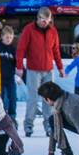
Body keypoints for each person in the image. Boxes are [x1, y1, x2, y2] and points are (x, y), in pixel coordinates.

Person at [15, 7, 63, 136]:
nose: (44, 22)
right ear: (37, 18)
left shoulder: (53, 31)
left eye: (46, 20)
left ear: (50, 19)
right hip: (33, 70)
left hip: (48, 69)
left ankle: (49, 124)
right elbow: (21, 49)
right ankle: (29, 125)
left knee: (49, 98)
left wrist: (60, 67)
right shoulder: (29, 29)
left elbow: (56, 51)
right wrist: (19, 67)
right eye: (42, 19)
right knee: (33, 98)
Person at [0, 24, 19, 123]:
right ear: (2, 37)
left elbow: (17, 63)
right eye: (7, 37)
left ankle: (12, 117)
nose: (9, 39)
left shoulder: (13, 49)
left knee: (12, 98)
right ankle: (2, 117)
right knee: (1, 99)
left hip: (10, 79)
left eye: (11, 37)